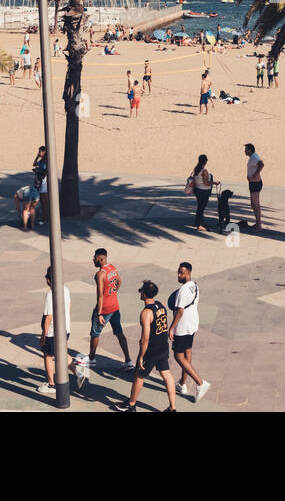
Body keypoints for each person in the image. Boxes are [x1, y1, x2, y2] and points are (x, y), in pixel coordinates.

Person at [112, 281, 178, 412]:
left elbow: (145, 339)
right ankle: (172, 407)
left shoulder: (146, 313)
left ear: (144, 293)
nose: (140, 293)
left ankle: (131, 405)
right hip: (163, 346)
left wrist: (141, 356)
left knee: (139, 375)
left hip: (151, 350)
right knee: (166, 374)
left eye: (141, 290)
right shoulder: (161, 305)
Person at [168, 263, 210, 402]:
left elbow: (179, 311)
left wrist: (172, 328)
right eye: (178, 272)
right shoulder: (195, 286)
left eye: (182, 273)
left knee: (178, 356)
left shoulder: (183, 291)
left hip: (183, 326)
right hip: (192, 324)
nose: (179, 275)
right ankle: (182, 384)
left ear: (188, 273)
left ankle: (200, 383)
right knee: (187, 353)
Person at [38, 267, 80, 396]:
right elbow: (69, 305)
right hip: (65, 328)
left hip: (52, 332)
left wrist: (43, 336)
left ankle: (51, 384)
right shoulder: (65, 289)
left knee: (48, 356)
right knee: (62, 352)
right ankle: (79, 373)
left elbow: (48, 317)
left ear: (49, 280)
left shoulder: (51, 295)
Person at [89, 249, 131, 368]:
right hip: (115, 307)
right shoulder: (112, 268)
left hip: (105, 309)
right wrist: (113, 293)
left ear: (101, 258)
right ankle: (128, 360)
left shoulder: (100, 274)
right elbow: (119, 281)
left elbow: (100, 296)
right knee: (119, 333)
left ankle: (91, 358)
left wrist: (99, 313)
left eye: (95, 257)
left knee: (95, 333)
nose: (93, 259)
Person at [190, 154, 217, 232]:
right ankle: (199, 225)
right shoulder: (204, 171)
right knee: (201, 208)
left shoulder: (196, 169)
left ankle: (198, 222)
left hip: (197, 190)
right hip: (204, 191)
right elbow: (206, 183)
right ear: (205, 161)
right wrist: (214, 183)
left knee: (199, 207)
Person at [244, 143, 265, 231]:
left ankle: (259, 226)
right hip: (253, 184)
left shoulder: (254, 157)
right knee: (253, 204)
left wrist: (255, 175)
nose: (245, 151)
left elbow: (261, 164)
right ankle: (257, 223)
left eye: (246, 149)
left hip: (255, 184)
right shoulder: (253, 157)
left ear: (250, 150)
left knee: (256, 205)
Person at [32, 146, 49, 225]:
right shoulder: (42, 160)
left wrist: (42, 175)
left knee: (44, 201)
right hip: (42, 181)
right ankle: (45, 218)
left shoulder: (46, 161)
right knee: (44, 201)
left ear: (44, 152)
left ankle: (44, 219)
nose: (39, 153)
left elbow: (47, 170)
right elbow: (34, 164)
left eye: (40, 152)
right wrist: (37, 156)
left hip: (44, 182)